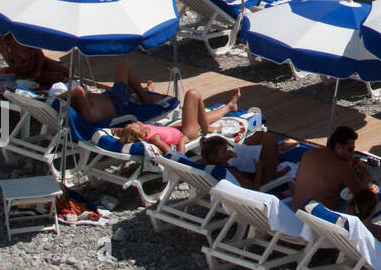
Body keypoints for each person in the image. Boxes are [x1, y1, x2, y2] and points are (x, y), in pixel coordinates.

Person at [112, 86, 243, 153]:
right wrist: (181, 143)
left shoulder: (137, 132)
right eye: (139, 125)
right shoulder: (154, 138)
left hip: (176, 128)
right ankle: (206, 128)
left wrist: (106, 130)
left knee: (198, 117)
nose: (140, 122)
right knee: (193, 94)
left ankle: (230, 107)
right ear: (141, 133)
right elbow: (173, 157)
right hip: (185, 134)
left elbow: (119, 131)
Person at [66, 59, 170, 124]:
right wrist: (54, 98)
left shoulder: (82, 106)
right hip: (118, 103)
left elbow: (79, 92)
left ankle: (145, 90)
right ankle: (145, 97)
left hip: (111, 97)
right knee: (123, 64)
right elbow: (79, 91)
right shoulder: (86, 113)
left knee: (128, 84)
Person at [198, 132, 292, 191]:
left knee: (259, 135)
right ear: (214, 157)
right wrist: (259, 169)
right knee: (269, 141)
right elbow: (255, 188)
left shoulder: (209, 165)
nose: (228, 152)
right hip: (258, 182)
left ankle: (273, 162)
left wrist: (227, 158)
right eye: (224, 152)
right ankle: (272, 174)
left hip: (243, 173)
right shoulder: (230, 172)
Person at [0, 34, 70, 87]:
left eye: (9, 42)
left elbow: (40, 55)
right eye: (4, 42)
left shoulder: (22, 42)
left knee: (67, 71)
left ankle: (42, 76)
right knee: (58, 78)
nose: (7, 44)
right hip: (25, 75)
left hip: (38, 65)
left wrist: (38, 71)